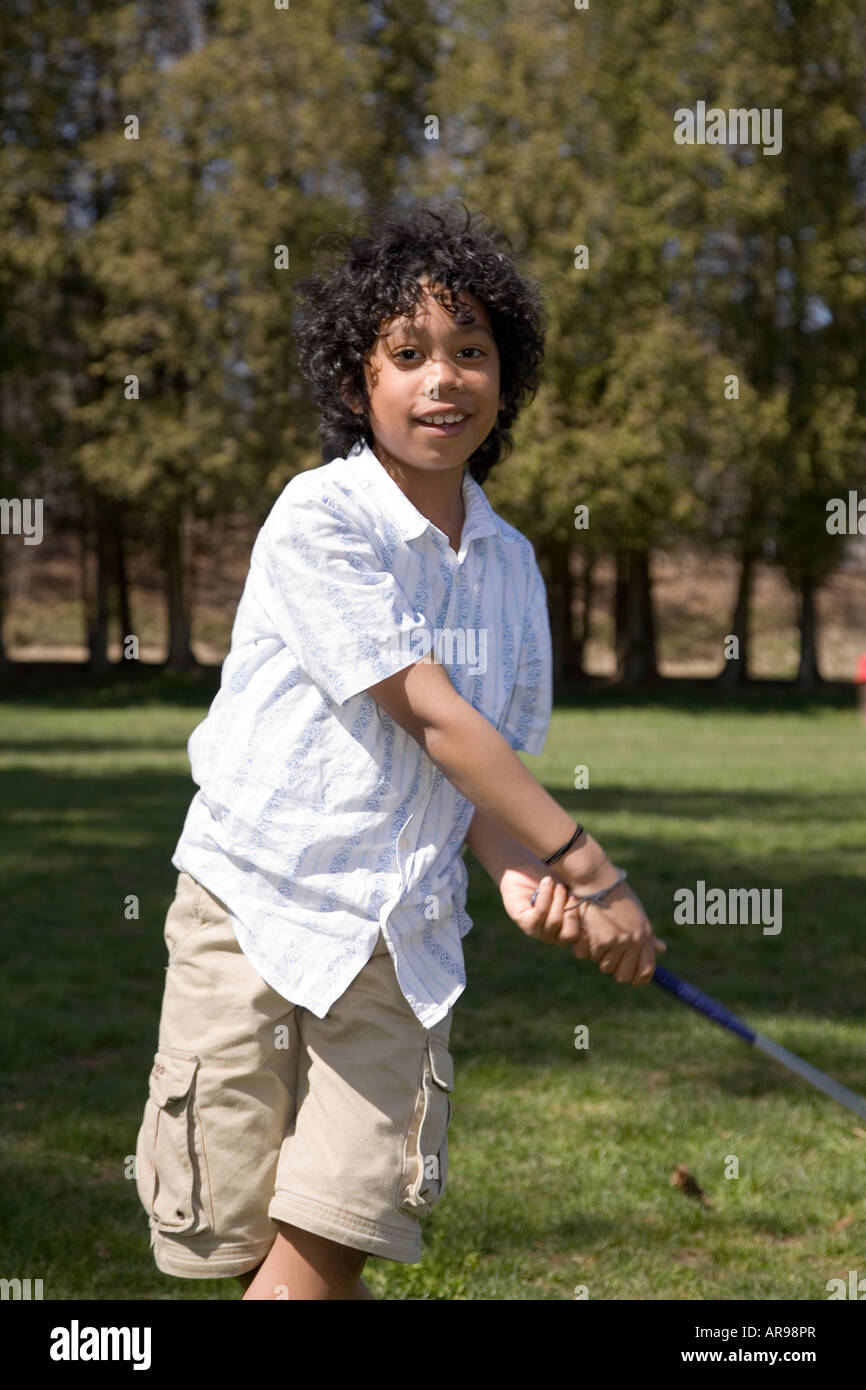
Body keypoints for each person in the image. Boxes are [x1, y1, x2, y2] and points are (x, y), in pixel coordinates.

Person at [133, 202, 666, 1301]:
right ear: (353, 383)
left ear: (503, 382)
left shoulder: (514, 569)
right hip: (251, 906)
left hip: (397, 943)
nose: (442, 378)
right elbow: (426, 713)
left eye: (470, 351)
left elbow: (478, 773)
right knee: (230, 1243)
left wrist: (519, 871)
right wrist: (586, 867)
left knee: (334, 1227)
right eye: (408, 353)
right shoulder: (316, 520)